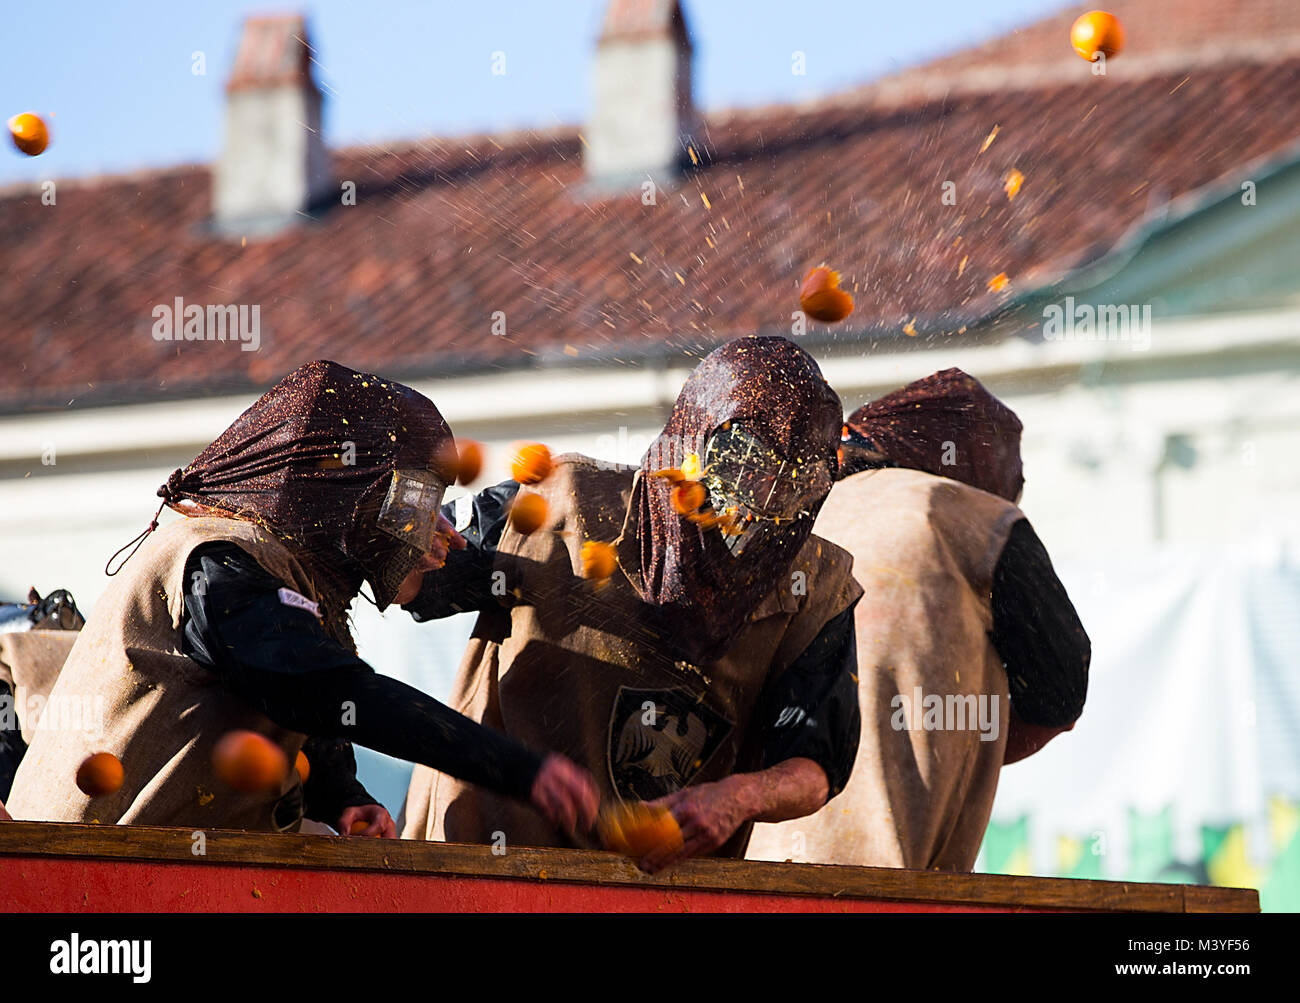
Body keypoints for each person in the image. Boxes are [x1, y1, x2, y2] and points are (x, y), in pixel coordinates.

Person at [6, 361, 598, 837]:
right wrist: (521, 770)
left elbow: (295, 694)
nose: (445, 531)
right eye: (421, 501)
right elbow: (320, 689)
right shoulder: (219, 562)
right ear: (352, 497)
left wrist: (343, 798)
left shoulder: (287, 579)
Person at [400, 336, 864, 871]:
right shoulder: (555, 499)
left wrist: (736, 798)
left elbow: (817, 762)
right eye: (744, 463)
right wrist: (400, 522)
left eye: (796, 480)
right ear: (693, 435)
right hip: (486, 867)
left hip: (661, 888)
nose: (762, 500)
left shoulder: (817, 587)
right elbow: (413, 585)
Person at [746, 368, 1090, 871]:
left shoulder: (792, 514)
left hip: (741, 877)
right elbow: (1060, 690)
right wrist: (957, 749)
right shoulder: (977, 520)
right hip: (894, 886)